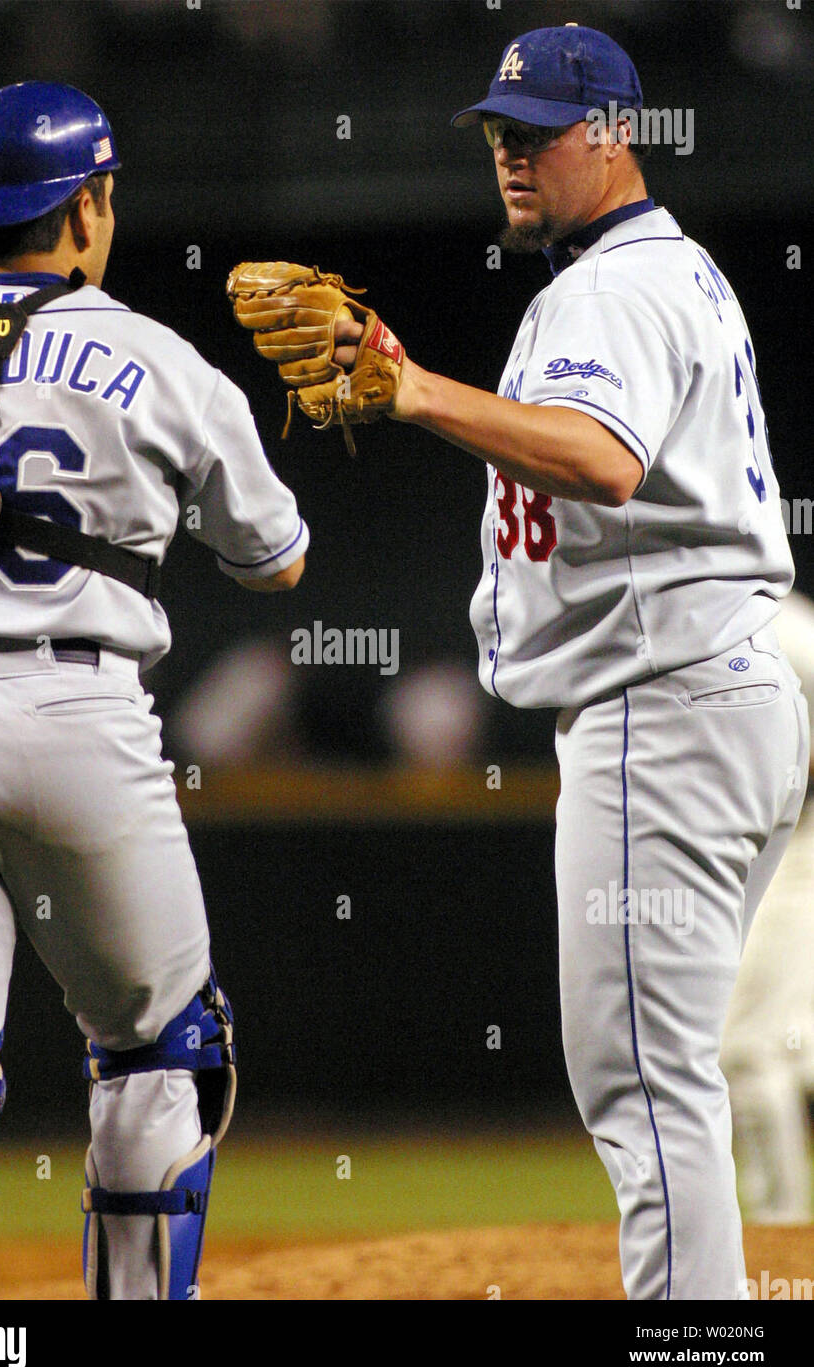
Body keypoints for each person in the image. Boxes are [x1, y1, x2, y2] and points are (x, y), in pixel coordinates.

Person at [332, 24, 807, 1299]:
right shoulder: (669, 270)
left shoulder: (610, 287)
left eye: (538, 131)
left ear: (615, 132)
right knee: (670, 1067)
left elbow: (603, 458)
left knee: (642, 1079)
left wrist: (418, 392)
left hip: (665, 703)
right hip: (720, 690)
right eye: (498, 133)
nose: (511, 154)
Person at [0, 81, 308, 1301]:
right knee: (159, 1052)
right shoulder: (158, 358)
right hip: (80, 722)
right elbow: (278, 560)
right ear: (86, 202)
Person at [721, 590, 814, 1225]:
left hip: (799, 848)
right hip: (739, 854)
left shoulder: (783, 620)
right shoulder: (681, 601)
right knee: (791, 1048)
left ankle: (780, 1239)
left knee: (747, 1050)